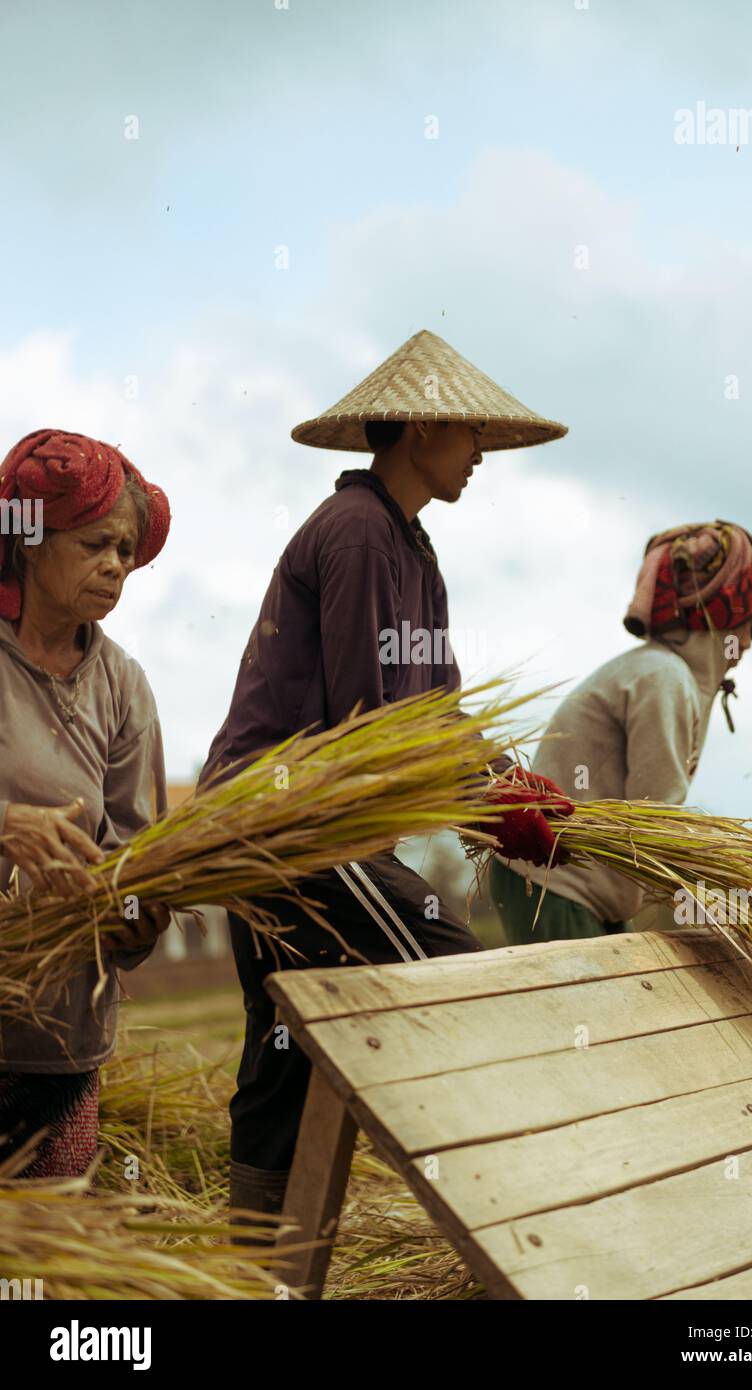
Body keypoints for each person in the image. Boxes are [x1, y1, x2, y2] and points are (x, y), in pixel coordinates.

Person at [197, 329, 570, 1227]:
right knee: (461, 988)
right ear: (416, 432)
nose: (480, 450)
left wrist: (507, 786)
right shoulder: (359, 532)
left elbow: (434, 710)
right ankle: (519, 1224)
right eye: (469, 431)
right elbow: (373, 728)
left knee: (286, 1061)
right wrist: (475, 800)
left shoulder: (414, 550)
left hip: (323, 827)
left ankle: (260, 1276)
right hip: (293, 833)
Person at [0, 429, 172, 1177]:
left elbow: (135, 847)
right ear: (32, 542)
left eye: (125, 552)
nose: (114, 566)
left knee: (47, 1267)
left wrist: (138, 910)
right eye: (95, 543)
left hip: (60, 1037)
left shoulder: (122, 686)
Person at [491, 520, 752, 943]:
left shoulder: (666, 673)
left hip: (587, 890)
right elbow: (657, 817)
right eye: (751, 624)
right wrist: (740, 881)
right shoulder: (663, 679)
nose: (748, 644)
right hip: (553, 884)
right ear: (723, 620)